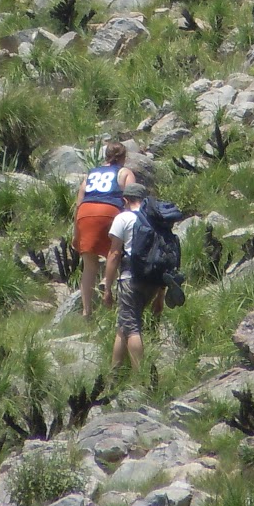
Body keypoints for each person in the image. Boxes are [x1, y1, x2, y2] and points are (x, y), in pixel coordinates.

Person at [101, 182, 165, 375]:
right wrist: (161, 295)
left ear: (125, 200)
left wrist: (107, 287)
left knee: (132, 328)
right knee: (124, 325)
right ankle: (115, 373)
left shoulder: (123, 218)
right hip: (153, 281)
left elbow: (114, 254)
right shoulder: (156, 219)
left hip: (130, 279)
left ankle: (141, 378)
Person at [72, 142, 137, 318]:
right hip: (109, 211)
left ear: (106, 156)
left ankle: (87, 312)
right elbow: (131, 199)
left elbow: (78, 203)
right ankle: (106, 282)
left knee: (89, 265)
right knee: (115, 252)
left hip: (85, 212)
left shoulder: (91, 173)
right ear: (123, 157)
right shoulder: (125, 173)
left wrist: (76, 232)